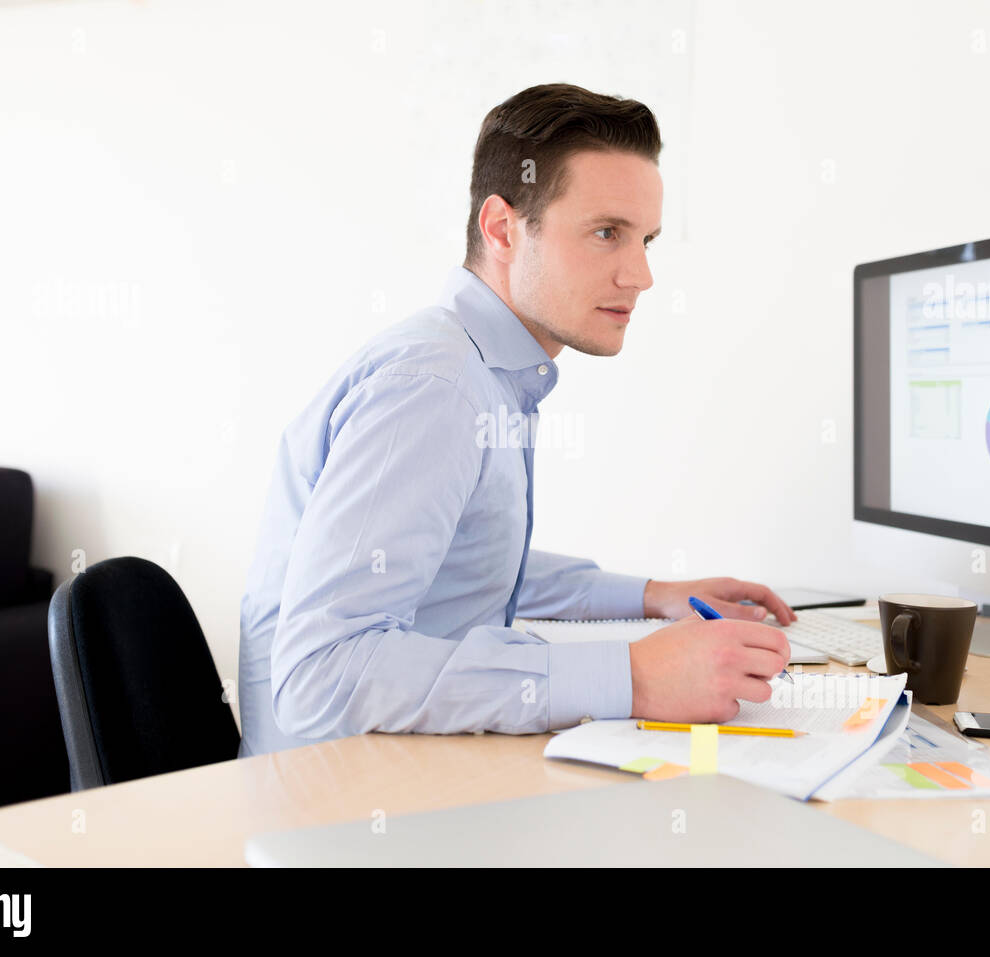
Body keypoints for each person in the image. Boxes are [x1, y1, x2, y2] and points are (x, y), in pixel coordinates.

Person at [237, 82, 794, 757]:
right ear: (502, 229)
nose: (641, 274)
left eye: (645, 238)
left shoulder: (480, 372)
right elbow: (321, 672)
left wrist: (655, 596)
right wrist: (634, 674)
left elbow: (469, 564)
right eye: (607, 233)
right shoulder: (437, 387)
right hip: (338, 810)